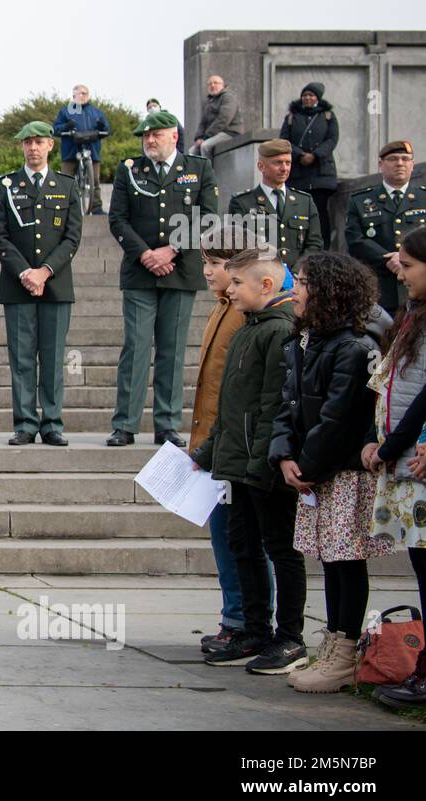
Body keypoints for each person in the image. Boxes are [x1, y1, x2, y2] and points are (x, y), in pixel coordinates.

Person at [271, 252, 391, 693]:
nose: (294, 290)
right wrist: (284, 454)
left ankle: (344, 654)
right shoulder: (306, 340)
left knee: (346, 561)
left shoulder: (355, 346)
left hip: (340, 472)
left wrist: (307, 464)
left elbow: (339, 418)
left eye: (301, 282)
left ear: (328, 291)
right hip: (313, 470)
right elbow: (288, 404)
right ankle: (335, 647)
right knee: (329, 559)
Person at [194, 248, 307, 675]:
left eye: (237, 283)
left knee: (279, 548)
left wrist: (262, 463)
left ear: (266, 285)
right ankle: (254, 629)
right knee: (243, 545)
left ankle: (290, 637)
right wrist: (209, 452)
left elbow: (272, 408)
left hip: (261, 466)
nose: (230, 288)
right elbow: (232, 403)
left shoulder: (278, 331)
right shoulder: (248, 327)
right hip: (236, 462)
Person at [107, 110, 217, 447]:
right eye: (145, 135)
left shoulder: (198, 168)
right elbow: (118, 219)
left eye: (156, 134)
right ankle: (125, 423)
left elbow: (208, 217)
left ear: (174, 136)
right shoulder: (130, 170)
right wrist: (146, 255)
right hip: (141, 272)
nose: (149, 140)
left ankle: (167, 424)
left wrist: (171, 250)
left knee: (172, 349)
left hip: (180, 271)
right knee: (136, 348)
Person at [0, 121, 83, 446]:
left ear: (50, 146)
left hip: (56, 286)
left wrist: (44, 272)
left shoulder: (67, 186)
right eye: (27, 142)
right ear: (22, 147)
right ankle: (26, 423)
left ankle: (52, 423)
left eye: (39, 142)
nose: (33, 148)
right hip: (17, 287)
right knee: (22, 358)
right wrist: (25, 273)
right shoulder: (4, 186)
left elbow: (72, 238)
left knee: (54, 357)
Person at [363, 226, 426, 708]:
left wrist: (392, 447)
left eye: (407, 266)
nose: (398, 274)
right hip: (406, 457)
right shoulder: (415, 315)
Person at [189, 236, 250, 654]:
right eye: (206, 262)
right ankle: (237, 618)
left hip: (231, 446)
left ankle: (243, 622)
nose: (208, 271)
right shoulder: (222, 306)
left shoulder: (246, 313)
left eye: (217, 263)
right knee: (224, 537)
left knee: (238, 540)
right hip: (213, 441)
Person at [345, 140, 422, 315]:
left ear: (412, 165)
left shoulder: (423, 198)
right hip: (380, 287)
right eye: (393, 159)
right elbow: (355, 240)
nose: (400, 163)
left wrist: (404, 259)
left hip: (419, 287)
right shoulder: (361, 200)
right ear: (381, 164)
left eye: (405, 159)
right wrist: (390, 259)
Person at [228, 139, 323, 268]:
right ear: (261, 166)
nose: (284, 168)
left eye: (288, 163)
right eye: (278, 163)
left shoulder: (305, 201)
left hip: (296, 281)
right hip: (259, 279)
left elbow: (314, 244)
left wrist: (295, 274)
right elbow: (238, 247)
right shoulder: (242, 203)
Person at [279, 83, 339, 248]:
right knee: (298, 212)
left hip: (321, 174)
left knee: (320, 212)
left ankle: (322, 247)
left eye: (311, 95)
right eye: (305, 95)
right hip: (299, 174)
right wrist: (300, 155)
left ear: (318, 98)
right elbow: (285, 141)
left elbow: (332, 139)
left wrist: (315, 155)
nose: (307, 98)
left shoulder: (328, 116)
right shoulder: (291, 118)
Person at [53, 85, 111, 216]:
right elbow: (55, 129)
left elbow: (107, 128)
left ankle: (96, 208)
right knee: (65, 181)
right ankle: (64, 210)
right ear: (73, 96)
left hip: (92, 152)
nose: (82, 96)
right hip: (70, 151)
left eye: (85, 93)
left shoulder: (96, 112)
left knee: (95, 181)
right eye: (79, 94)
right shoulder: (65, 112)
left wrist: (103, 126)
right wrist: (66, 127)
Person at [191, 75, 243, 160]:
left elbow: (223, 119)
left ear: (222, 85)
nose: (212, 85)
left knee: (205, 146)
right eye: (210, 84)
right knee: (192, 151)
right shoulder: (208, 102)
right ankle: (196, 173)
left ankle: (208, 172)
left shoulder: (228, 97)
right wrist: (199, 137)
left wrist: (206, 137)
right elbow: (203, 123)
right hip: (213, 135)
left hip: (229, 132)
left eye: (216, 83)